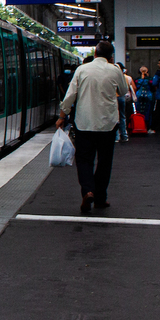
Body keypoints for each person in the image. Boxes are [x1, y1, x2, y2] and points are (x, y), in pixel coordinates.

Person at [56, 41, 129, 213]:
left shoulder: (82, 70)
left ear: (95, 54)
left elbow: (70, 95)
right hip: (108, 124)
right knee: (104, 161)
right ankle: (100, 198)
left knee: (84, 160)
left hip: (84, 123)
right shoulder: (115, 70)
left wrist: (62, 116)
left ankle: (88, 190)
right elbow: (124, 91)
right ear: (111, 57)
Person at [116, 62, 137, 143]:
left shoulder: (114, 77)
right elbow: (132, 88)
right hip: (124, 97)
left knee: (116, 118)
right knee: (123, 116)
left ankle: (117, 136)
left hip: (115, 97)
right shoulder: (127, 78)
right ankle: (124, 135)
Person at [134, 66, 154, 133]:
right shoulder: (150, 79)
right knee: (148, 111)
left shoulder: (137, 79)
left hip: (139, 95)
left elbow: (136, 86)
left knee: (139, 111)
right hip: (148, 96)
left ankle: (139, 125)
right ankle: (148, 126)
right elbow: (153, 86)